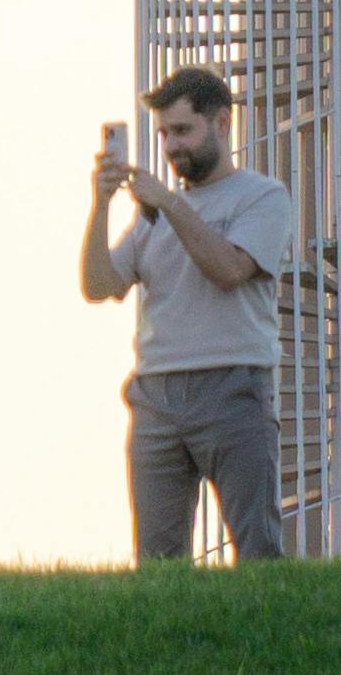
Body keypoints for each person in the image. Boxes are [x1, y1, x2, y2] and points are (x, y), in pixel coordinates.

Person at [80, 66, 297, 563]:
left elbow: (229, 269)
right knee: (157, 561)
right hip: (156, 395)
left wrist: (171, 207)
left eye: (182, 130)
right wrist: (101, 205)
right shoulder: (152, 214)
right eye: (164, 134)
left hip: (233, 387)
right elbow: (97, 286)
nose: (172, 146)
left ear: (222, 123)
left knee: (257, 549)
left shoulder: (263, 196)